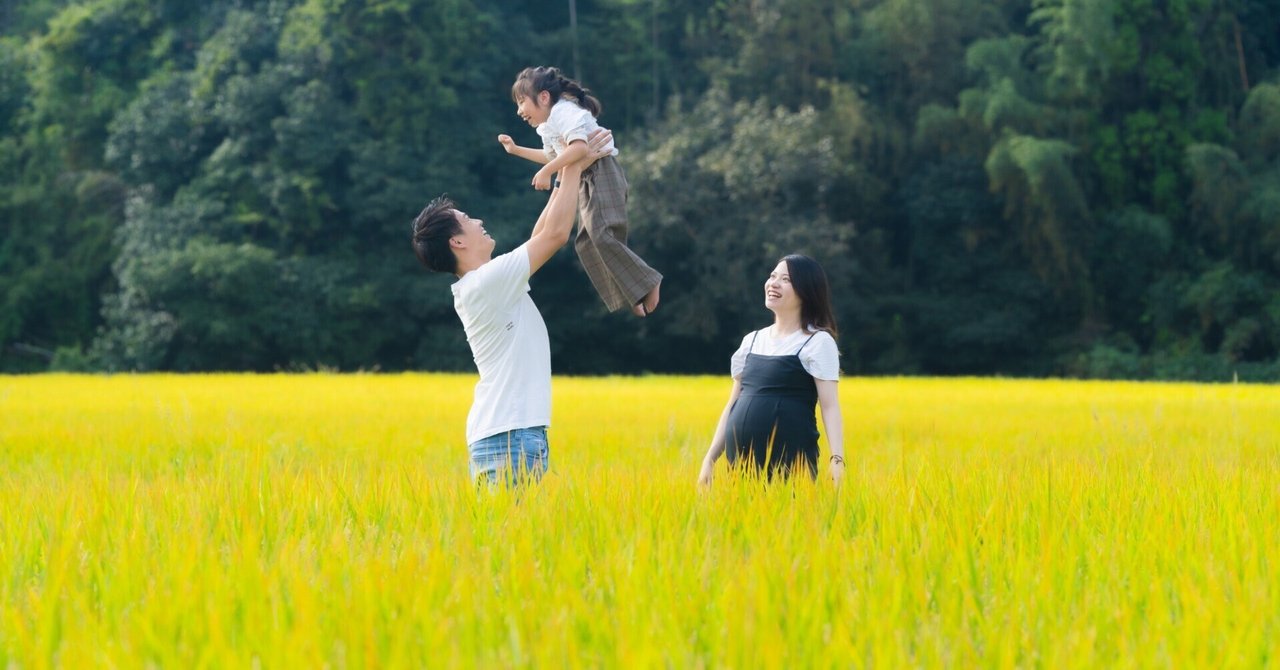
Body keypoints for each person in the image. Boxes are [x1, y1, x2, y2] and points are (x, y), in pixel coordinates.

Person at [411, 130, 613, 487]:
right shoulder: (485, 284)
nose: (479, 222)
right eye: (468, 219)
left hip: (508, 434)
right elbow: (554, 236)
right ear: (456, 241)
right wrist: (572, 162)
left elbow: (539, 237)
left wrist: (568, 169)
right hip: (511, 436)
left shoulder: (485, 284)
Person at [497, 66, 662, 319]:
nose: (519, 111)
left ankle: (648, 281)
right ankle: (633, 292)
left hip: (602, 170)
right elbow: (555, 156)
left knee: (601, 233)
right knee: (585, 243)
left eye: (521, 102)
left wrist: (548, 172)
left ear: (543, 97)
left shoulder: (563, 111)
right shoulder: (547, 125)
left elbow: (579, 149)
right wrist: (516, 150)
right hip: (584, 176)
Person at [697, 255, 846, 485]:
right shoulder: (752, 340)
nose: (774, 283)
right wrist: (709, 459)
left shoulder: (817, 341)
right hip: (740, 466)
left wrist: (837, 459)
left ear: (806, 291)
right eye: (772, 276)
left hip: (791, 464)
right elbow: (733, 404)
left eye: (786, 279)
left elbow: (830, 406)